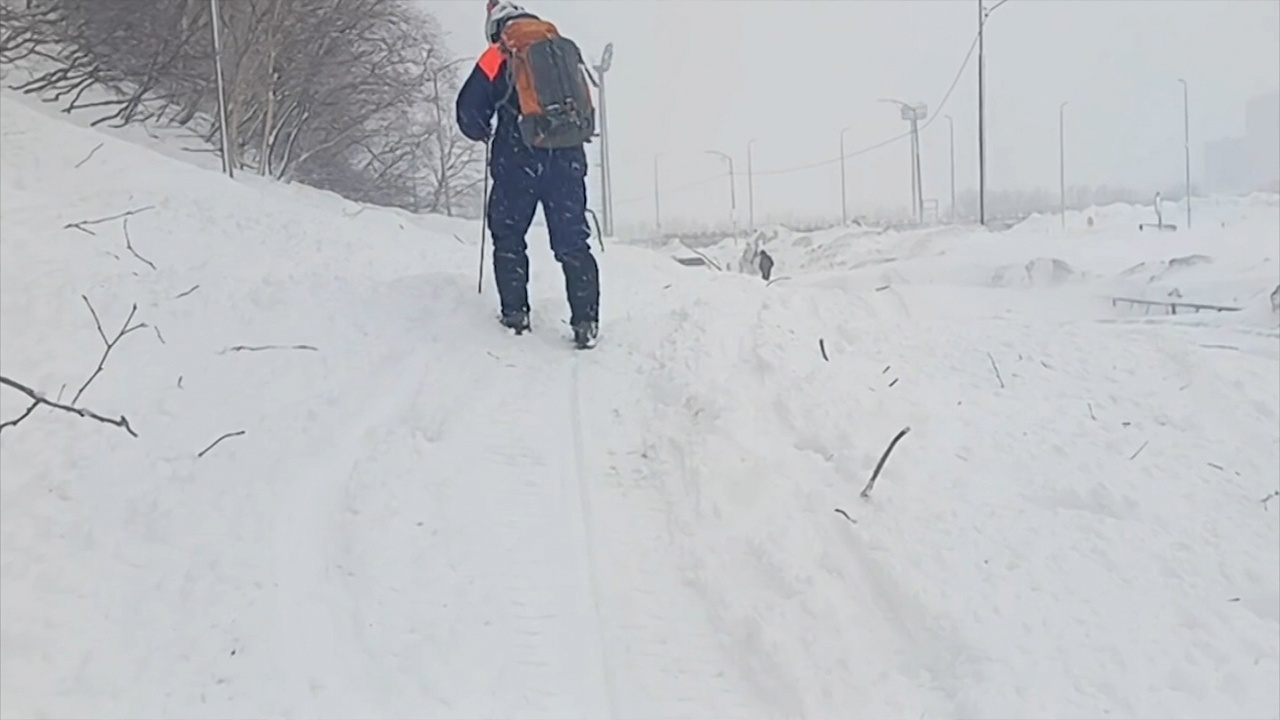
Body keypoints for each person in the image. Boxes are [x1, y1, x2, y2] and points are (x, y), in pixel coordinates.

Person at [455, 0, 600, 347]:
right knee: (573, 242)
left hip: (518, 160)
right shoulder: (559, 47)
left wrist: (484, 130)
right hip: (567, 159)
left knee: (508, 236)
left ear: (495, 28)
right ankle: (586, 322)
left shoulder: (499, 53)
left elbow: (469, 111)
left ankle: (516, 315)